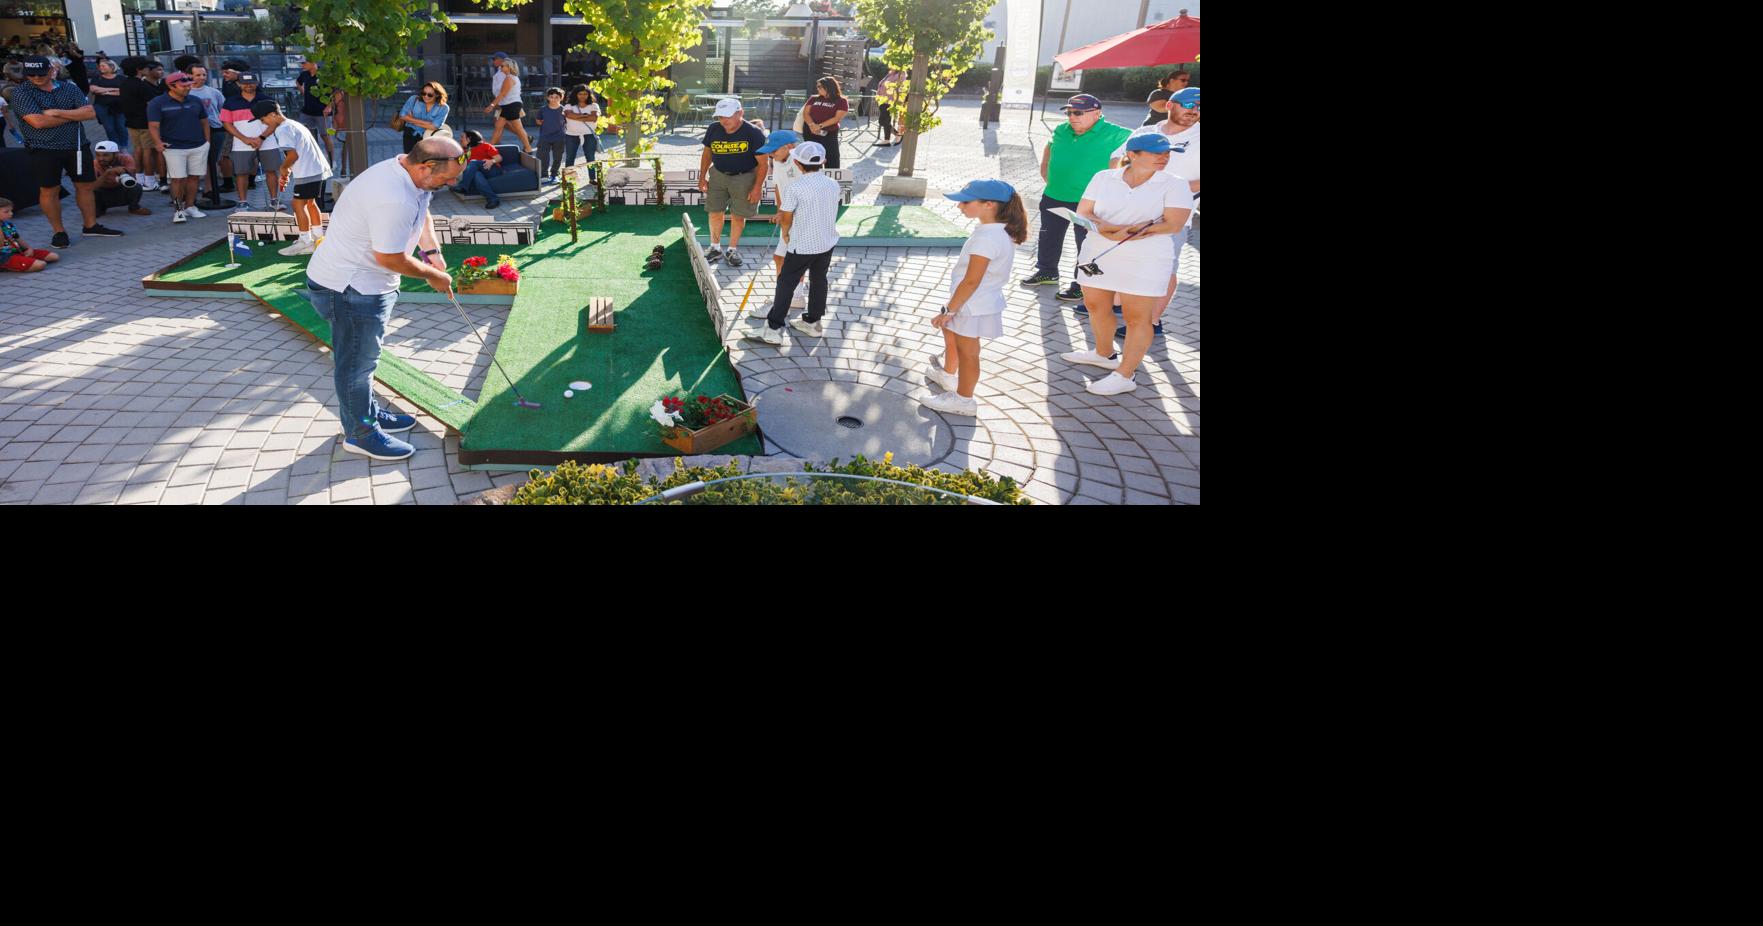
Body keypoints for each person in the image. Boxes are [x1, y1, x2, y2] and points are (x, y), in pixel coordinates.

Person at [303, 136, 464, 461]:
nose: (453, 182)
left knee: (364, 358)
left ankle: (368, 413)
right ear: (426, 166)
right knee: (356, 366)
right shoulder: (392, 197)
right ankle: (360, 434)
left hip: (363, 283)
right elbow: (389, 258)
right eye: (448, 178)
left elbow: (424, 211)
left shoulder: (410, 174)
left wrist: (431, 251)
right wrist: (434, 276)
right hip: (351, 289)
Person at [1058, 133, 1192, 397]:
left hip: (1147, 257)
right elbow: (1084, 212)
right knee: (1096, 306)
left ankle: (1125, 374)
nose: (1164, 158)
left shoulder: (1175, 184)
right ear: (1132, 155)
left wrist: (1130, 233)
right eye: (1157, 153)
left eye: (1168, 153)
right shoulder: (1103, 178)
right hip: (1099, 250)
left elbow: (1173, 224)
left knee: (1136, 317)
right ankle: (1104, 354)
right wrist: (1109, 230)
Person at [920, 179, 1028, 417]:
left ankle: (964, 400)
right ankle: (948, 375)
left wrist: (949, 310)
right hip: (973, 303)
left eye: (966, 202)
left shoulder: (987, 238)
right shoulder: (996, 231)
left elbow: (972, 280)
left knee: (969, 354)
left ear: (988, 204)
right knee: (956, 340)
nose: (960, 207)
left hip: (972, 305)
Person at [1022, 93, 1133, 303]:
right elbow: (1049, 146)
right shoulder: (1062, 130)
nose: (1072, 117)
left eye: (1078, 112)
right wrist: (1045, 171)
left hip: (1090, 202)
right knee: (1048, 236)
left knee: (1086, 244)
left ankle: (1082, 284)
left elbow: (1139, 150)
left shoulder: (1118, 134)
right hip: (1054, 195)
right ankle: (1047, 272)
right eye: (1070, 112)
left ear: (1097, 113)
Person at [1108, 84, 1199, 338]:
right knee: (1125, 259)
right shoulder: (1146, 131)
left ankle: (1151, 321)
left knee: (1163, 269)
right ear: (1169, 105)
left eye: (1199, 107)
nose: (1194, 110)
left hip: (1172, 216)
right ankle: (1115, 304)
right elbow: (1117, 159)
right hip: (1131, 211)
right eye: (1188, 104)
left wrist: (1165, 188)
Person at [8, 56, 125, 247]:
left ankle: (91, 225)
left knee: (85, 186)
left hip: (77, 145)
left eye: (40, 74)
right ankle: (59, 232)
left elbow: (90, 113)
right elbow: (38, 122)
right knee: (49, 190)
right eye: (31, 75)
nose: (36, 78)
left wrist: (55, 112)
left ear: (51, 71)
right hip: (43, 149)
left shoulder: (69, 87)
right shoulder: (21, 92)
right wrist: (73, 115)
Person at [745, 141, 839, 346]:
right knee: (819, 280)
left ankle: (773, 328)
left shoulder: (796, 188)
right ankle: (813, 323)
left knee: (786, 283)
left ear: (796, 163)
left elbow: (786, 218)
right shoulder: (833, 184)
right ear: (823, 161)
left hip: (802, 244)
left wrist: (786, 234)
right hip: (827, 242)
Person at [251, 99, 333, 257]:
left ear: (273, 114)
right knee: (310, 203)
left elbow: (293, 155)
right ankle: (317, 238)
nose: (263, 123)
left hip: (308, 171)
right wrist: (287, 170)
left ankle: (306, 242)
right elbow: (295, 154)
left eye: (263, 119)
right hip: (317, 169)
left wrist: (283, 168)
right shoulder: (293, 124)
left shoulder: (283, 130)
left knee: (297, 204)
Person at [696, 97, 768, 268]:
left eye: (727, 116)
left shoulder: (754, 133)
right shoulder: (714, 129)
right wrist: (701, 177)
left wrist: (757, 187)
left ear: (740, 113)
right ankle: (715, 248)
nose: (723, 120)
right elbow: (707, 154)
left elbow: (763, 164)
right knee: (714, 211)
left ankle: (732, 249)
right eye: (720, 116)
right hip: (718, 175)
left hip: (744, 177)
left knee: (738, 215)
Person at [750, 129, 806, 308]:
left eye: (774, 150)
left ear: (789, 147)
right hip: (788, 216)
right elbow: (778, 187)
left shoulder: (799, 163)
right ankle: (786, 295)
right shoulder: (776, 160)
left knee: (794, 259)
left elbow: (803, 193)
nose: (771, 153)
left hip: (802, 217)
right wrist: (781, 210)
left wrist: (787, 213)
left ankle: (793, 297)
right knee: (779, 257)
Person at [147, 70, 212, 223]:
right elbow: (153, 126)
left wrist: (207, 142)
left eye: (189, 85)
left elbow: (204, 122)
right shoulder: (157, 103)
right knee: (177, 179)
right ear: (171, 86)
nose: (188, 88)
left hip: (198, 145)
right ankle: (178, 210)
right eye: (183, 86)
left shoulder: (195, 100)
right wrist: (157, 143)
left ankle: (190, 206)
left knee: (194, 177)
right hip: (174, 147)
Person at [222, 73, 284, 209]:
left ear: (257, 83)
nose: (248, 85)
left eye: (251, 83)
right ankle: (243, 202)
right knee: (241, 172)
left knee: (272, 170)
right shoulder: (230, 102)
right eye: (244, 83)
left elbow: (276, 121)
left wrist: (261, 138)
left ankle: (274, 200)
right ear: (238, 84)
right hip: (241, 143)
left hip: (268, 141)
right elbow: (227, 124)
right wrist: (245, 139)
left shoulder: (267, 99)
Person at [186, 65, 234, 209]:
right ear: (190, 76)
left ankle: (209, 189)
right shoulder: (186, 92)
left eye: (204, 75)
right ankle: (188, 194)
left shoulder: (213, 92)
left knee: (212, 160)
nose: (201, 78)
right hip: (193, 130)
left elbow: (223, 109)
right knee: (193, 161)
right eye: (198, 75)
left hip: (215, 128)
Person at [119, 57, 164, 190]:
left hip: (131, 122)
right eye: (145, 67)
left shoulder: (124, 83)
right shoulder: (142, 85)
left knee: (138, 150)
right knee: (148, 151)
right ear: (139, 69)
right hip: (145, 123)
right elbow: (152, 105)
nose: (147, 69)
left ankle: (139, 179)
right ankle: (149, 181)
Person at [295, 59, 342, 163]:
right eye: (301, 63)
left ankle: (331, 162)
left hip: (323, 113)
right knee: (304, 135)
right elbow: (298, 82)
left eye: (304, 63)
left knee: (325, 136)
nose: (302, 65)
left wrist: (330, 106)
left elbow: (338, 92)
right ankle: (312, 161)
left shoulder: (325, 75)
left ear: (313, 63)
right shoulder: (304, 74)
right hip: (307, 111)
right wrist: (303, 91)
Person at [484, 54, 533, 153]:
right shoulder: (511, 77)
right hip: (509, 105)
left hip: (512, 105)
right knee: (499, 126)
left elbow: (502, 94)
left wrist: (491, 105)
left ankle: (528, 148)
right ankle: (489, 149)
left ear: (509, 67)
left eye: (503, 66)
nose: (500, 67)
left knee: (518, 128)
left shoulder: (509, 78)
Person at [89, 139, 151, 217]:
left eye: (105, 155)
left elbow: (132, 179)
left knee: (136, 187)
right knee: (92, 192)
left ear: (116, 154)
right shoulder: (93, 164)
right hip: (102, 192)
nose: (101, 158)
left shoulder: (126, 159)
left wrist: (123, 171)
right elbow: (93, 186)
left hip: (120, 190)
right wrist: (107, 173)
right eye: (98, 155)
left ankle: (134, 208)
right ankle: (100, 208)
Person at [0, 196, 61, 272]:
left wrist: (29, 248)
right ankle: (5, 266)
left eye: (11, 211)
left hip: (17, 250)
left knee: (54, 256)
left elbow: (17, 238)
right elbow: (1, 244)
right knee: (40, 265)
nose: (11, 213)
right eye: (6, 212)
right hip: (4, 256)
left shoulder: (7, 224)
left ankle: (21, 260)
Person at [800, 76, 849, 169]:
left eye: (819, 87)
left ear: (828, 87)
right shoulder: (813, 98)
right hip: (810, 131)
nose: (817, 88)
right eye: (817, 86)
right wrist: (812, 125)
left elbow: (837, 118)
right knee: (812, 158)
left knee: (831, 158)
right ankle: (813, 179)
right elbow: (806, 113)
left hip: (829, 133)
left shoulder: (841, 101)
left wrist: (820, 126)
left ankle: (830, 181)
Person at [452, 128, 504, 209]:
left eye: (462, 137)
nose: (460, 139)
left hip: (493, 170)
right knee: (476, 175)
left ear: (469, 139)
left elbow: (499, 158)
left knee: (473, 162)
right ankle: (493, 199)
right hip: (477, 172)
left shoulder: (486, 146)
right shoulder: (464, 150)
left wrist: (492, 161)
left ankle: (463, 186)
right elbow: (459, 163)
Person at [395, 80, 449, 155]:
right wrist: (426, 123)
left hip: (428, 138)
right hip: (410, 134)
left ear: (437, 94)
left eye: (430, 95)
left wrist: (411, 119)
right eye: (424, 93)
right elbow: (402, 115)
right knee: (409, 161)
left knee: (424, 163)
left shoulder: (443, 108)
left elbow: (434, 126)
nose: (426, 96)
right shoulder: (413, 99)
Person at [87, 57, 126, 148]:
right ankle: (114, 147)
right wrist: (113, 90)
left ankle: (123, 147)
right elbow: (93, 89)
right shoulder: (97, 78)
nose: (101, 67)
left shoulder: (121, 78)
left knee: (122, 127)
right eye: (100, 66)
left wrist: (103, 92)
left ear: (112, 67)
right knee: (109, 129)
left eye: (103, 66)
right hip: (102, 106)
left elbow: (124, 91)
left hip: (120, 107)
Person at [561, 83, 599, 173]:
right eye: (580, 94)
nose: (583, 96)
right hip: (571, 135)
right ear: (575, 94)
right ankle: (569, 179)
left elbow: (594, 118)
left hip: (589, 135)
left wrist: (576, 116)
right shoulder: (568, 106)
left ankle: (593, 179)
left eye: (585, 94)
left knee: (591, 158)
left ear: (589, 95)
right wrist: (586, 115)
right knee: (570, 157)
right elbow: (569, 115)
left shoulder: (594, 105)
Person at [533, 86, 568, 183]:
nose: (554, 99)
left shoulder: (564, 110)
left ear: (561, 98)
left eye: (557, 97)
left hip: (559, 137)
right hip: (545, 137)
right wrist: (541, 122)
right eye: (551, 97)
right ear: (548, 98)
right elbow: (538, 120)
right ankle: (544, 175)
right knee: (543, 156)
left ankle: (554, 174)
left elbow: (567, 122)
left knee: (557, 157)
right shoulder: (543, 109)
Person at [876, 68, 904, 145]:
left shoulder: (900, 74)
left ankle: (887, 140)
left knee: (884, 120)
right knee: (883, 121)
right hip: (882, 100)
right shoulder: (890, 73)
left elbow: (899, 87)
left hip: (889, 101)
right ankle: (896, 135)